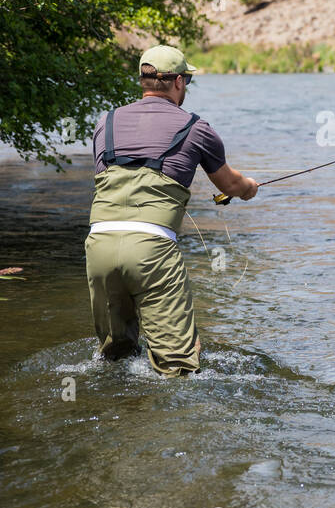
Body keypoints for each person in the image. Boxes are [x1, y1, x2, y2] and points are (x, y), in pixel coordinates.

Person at [85, 45, 258, 375]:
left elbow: (110, 183)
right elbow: (231, 186)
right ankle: (168, 422)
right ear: (178, 82)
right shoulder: (197, 128)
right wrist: (251, 187)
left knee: (114, 358)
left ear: (143, 81)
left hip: (99, 245)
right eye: (188, 80)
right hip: (151, 247)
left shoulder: (104, 123)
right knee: (177, 369)